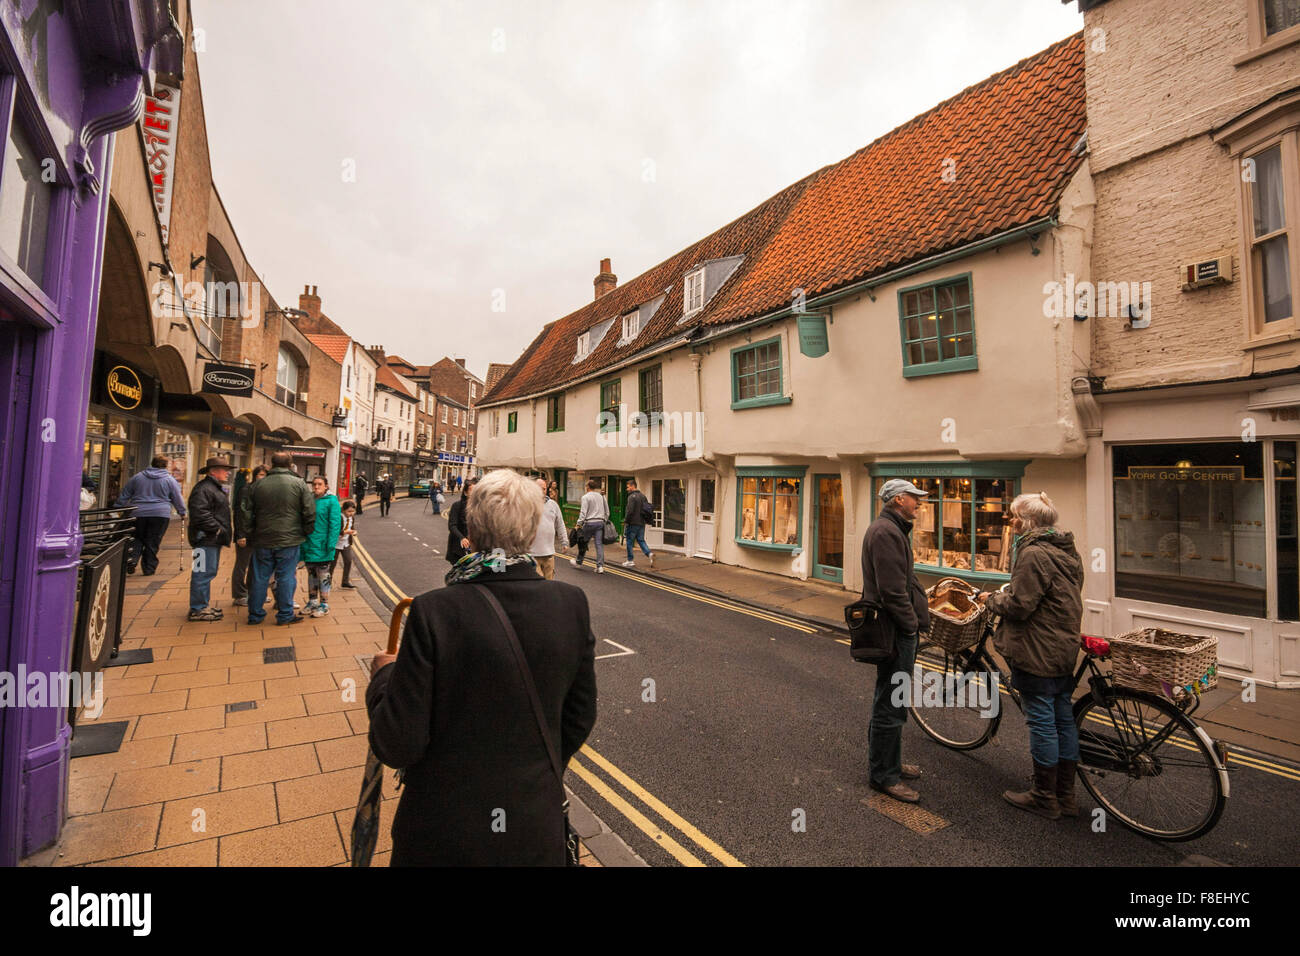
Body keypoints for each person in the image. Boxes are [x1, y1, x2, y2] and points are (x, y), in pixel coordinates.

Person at [366, 467, 597, 865]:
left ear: (471, 529)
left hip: (445, 829)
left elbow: (397, 742)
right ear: (530, 530)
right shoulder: (571, 603)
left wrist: (384, 675)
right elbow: (580, 716)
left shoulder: (433, 611)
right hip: (532, 826)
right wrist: (533, 771)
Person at [975, 492, 1084, 820]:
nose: (1009, 520)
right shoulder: (1066, 549)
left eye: (1013, 516)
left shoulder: (1033, 552)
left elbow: (1020, 606)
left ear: (1027, 521)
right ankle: (1066, 796)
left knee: (1041, 721)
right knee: (1062, 719)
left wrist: (990, 599)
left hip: (1037, 648)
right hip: (1064, 645)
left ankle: (1043, 796)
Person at [861, 478, 932, 803]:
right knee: (890, 702)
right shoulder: (886, 533)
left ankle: (891, 763)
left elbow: (903, 582)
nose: (918, 503)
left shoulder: (892, 529)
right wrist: (910, 626)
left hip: (897, 629)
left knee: (894, 698)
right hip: (894, 632)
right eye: (914, 498)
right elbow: (892, 592)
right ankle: (884, 776)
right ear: (899, 499)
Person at [247, 451, 317, 626]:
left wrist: (249, 533)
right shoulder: (299, 484)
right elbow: (309, 511)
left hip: (263, 538)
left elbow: (245, 512)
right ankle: (285, 615)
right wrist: (306, 532)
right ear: (289, 464)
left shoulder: (258, 485)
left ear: (272, 464)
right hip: (289, 540)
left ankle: (255, 615)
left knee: (259, 577)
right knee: (286, 576)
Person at [115, 454, 187, 576]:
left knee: (137, 537)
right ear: (165, 466)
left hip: (138, 512)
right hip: (160, 514)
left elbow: (125, 493)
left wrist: (119, 506)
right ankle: (149, 568)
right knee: (153, 540)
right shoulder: (169, 480)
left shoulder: (137, 477)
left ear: (152, 463)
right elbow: (176, 497)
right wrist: (182, 511)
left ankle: (132, 560)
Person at [185, 456, 234, 622]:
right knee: (202, 573)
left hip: (209, 538)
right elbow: (200, 514)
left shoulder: (210, 487)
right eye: (224, 469)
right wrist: (217, 529)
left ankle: (201, 605)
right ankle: (198, 609)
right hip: (205, 538)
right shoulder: (204, 488)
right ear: (214, 471)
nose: (227, 472)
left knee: (206, 572)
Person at [302, 476, 342, 618]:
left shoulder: (332, 501)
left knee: (323, 575)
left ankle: (324, 604)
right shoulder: (310, 499)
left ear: (326, 486)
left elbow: (335, 524)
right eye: (314, 484)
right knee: (311, 574)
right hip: (309, 544)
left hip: (324, 545)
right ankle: (312, 602)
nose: (316, 487)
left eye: (320, 484)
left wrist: (331, 544)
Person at [231, 464, 268, 605]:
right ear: (255, 476)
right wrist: (240, 534)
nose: (263, 478)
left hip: (257, 535)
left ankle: (253, 593)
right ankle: (239, 595)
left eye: (265, 475)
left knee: (255, 565)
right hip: (245, 535)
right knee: (242, 565)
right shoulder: (246, 490)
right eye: (261, 475)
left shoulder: (262, 491)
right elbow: (240, 513)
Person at [529, 477, 568, 580]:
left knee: (549, 584)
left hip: (549, 554)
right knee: (538, 584)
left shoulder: (553, 505)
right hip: (532, 554)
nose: (542, 491)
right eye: (539, 488)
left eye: (544, 489)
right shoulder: (527, 505)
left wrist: (564, 542)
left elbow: (560, 524)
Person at [571, 478, 610, 573]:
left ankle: (579, 562)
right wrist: (604, 519)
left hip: (589, 523)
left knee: (583, 543)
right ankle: (600, 567)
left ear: (588, 487)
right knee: (599, 545)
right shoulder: (601, 496)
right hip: (600, 522)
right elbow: (607, 511)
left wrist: (578, 524)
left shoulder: (585, 497)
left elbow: (583, 513)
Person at [620, 479, 653, 569]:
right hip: (641, 523)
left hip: (633, 523)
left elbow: (630, 511)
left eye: (628, 487)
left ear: (632, 486)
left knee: (629, 541)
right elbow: (647, 509)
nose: (627, 489)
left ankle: (630, 560)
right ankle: (649, 553)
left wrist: (626, 521)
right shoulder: (643, 496)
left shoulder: (631, 497)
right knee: (641, 540)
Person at [445, 476, 478, 565]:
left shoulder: (479, 508)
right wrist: (462, 538)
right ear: (466, 492)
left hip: (474, 546)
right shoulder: (457, 506)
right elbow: (452, 525)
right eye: (472, 490)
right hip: (458, 545)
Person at [333, 499, 358, 589]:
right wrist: (344, 532)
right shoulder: (339, 518)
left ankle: (345, 581)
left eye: (353, 511)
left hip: (346, 543)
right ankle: (327, 582)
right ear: (343, 510)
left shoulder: (352, 518)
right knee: (332, 564)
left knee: (348, 561)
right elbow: (335, 531)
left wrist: (353, 532)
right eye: (349, 511)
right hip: (336, 544)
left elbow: (352, 526)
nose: (351, 513)